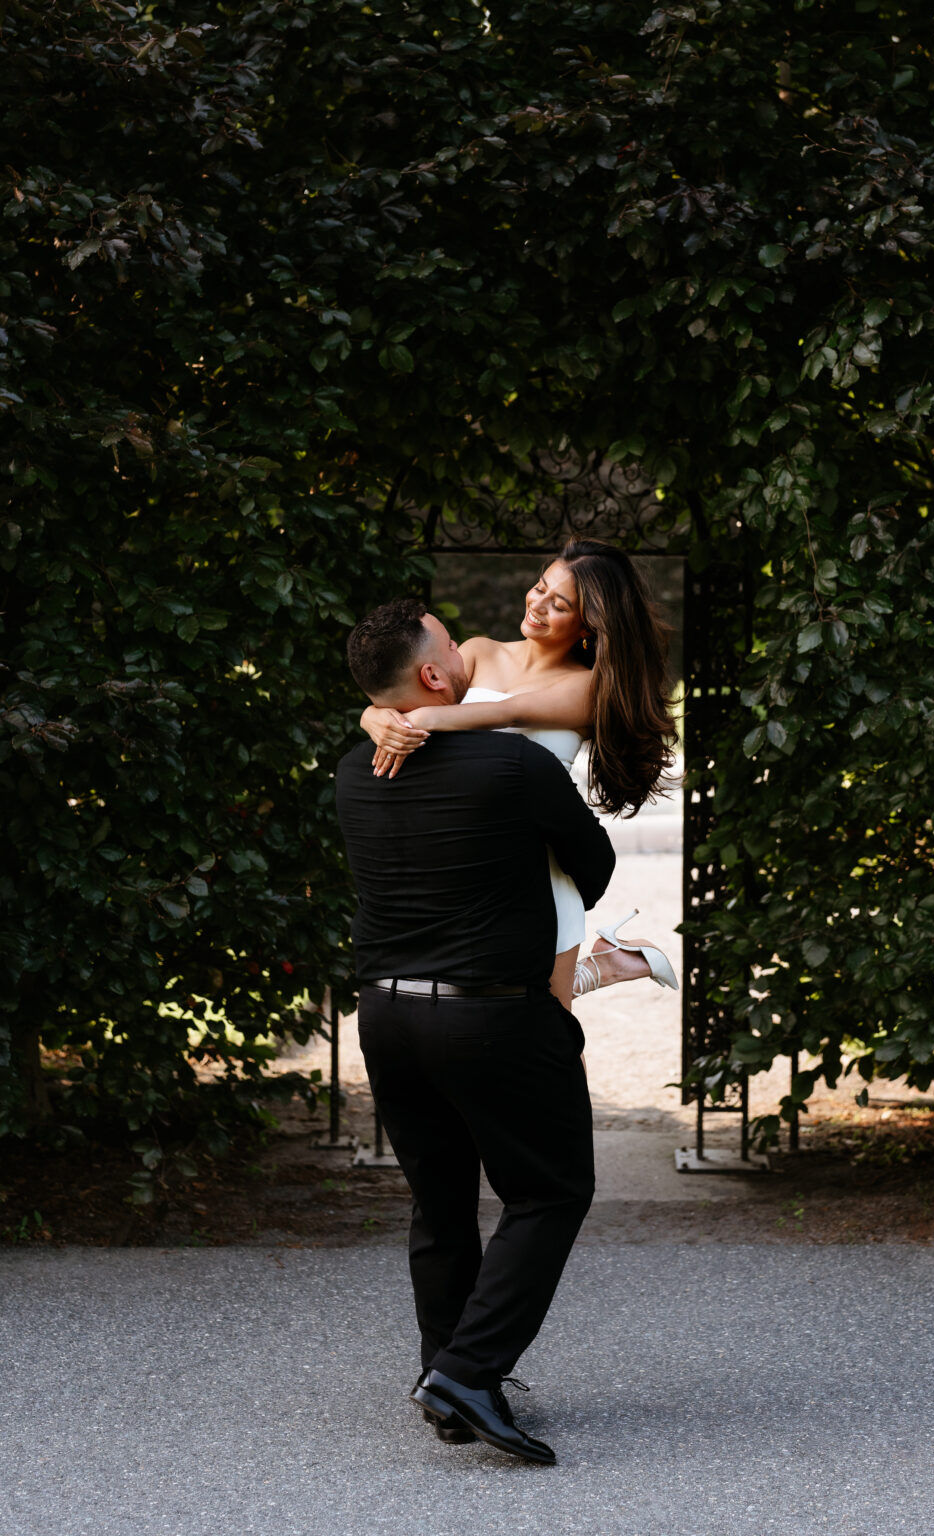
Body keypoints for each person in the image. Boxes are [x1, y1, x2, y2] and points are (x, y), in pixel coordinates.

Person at [337, 598, 616, 1465]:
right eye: (451, 644)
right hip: (492, 1014)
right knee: (550, 1190)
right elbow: (596, 867)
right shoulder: (510, 767)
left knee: (441, 1200)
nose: (466, 649)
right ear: (432, 675)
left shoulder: (355, 769)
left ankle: (449, 1380)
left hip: (385, 1015)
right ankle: (467, 1370)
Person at [360, 538, 679, 1007]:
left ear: (590, 624)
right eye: (539, 587)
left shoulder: (589, 687)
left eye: (561, 604)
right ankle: (604, 965)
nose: (538, 605)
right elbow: (408, 695)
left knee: (549, 1030)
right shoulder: (478, 651)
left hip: (541, 872)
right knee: (476, 1009)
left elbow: (503, 714)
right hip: (469, 860)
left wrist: (412, 720)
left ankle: (597, 969)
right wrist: (372, 717)